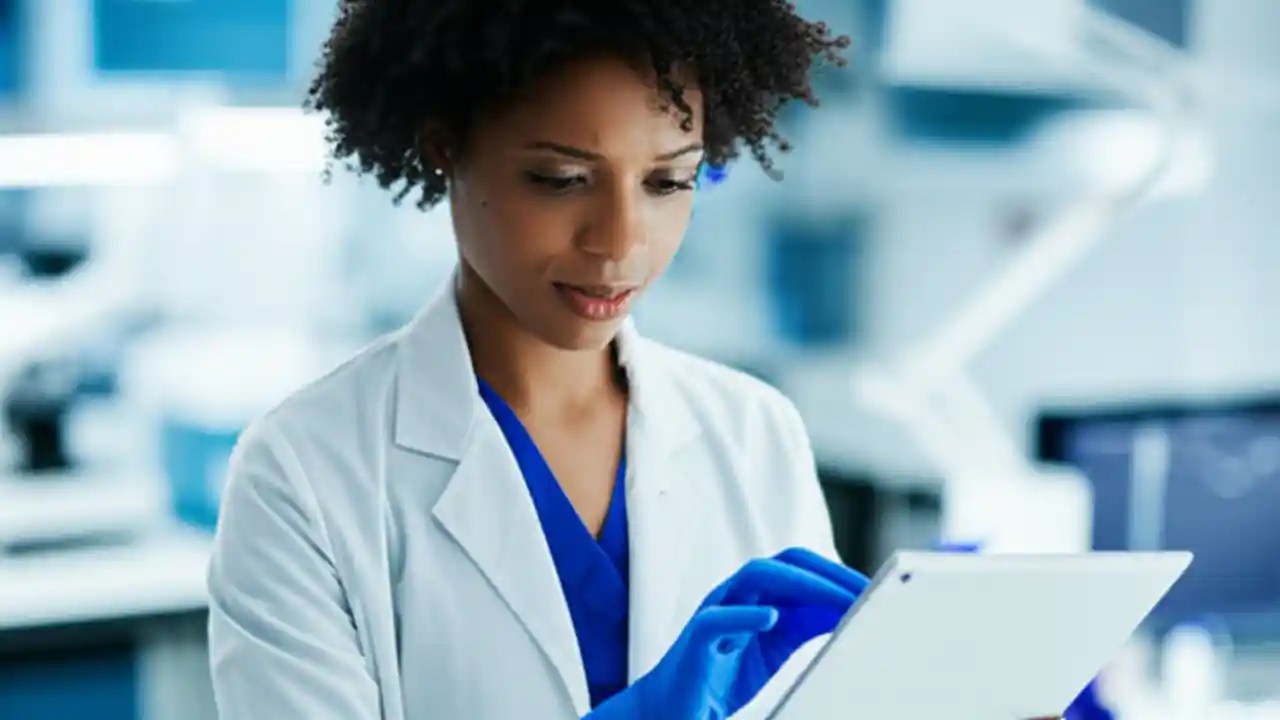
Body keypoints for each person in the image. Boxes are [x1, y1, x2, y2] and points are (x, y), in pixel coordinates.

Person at [207, 2, 1056, 719]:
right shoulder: (305, 473)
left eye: (666, 183)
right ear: (444, 145)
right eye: (561, 178)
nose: (620, 244)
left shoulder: (752, 432)